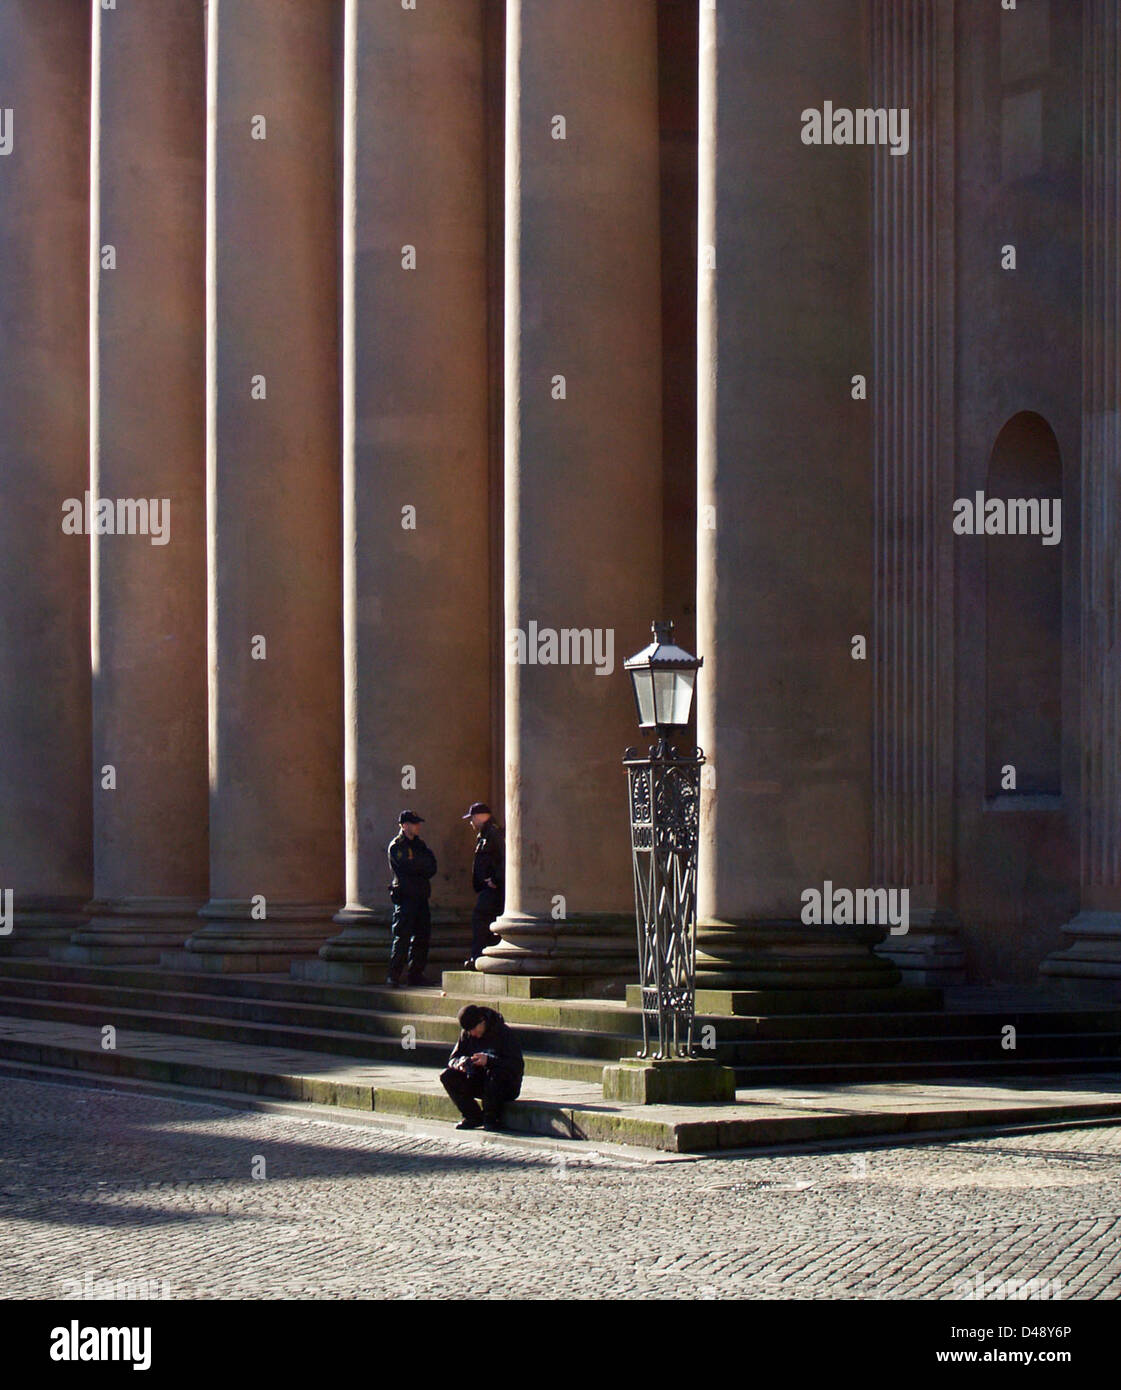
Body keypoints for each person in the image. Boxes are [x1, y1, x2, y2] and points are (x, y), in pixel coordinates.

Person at [440, 1003, 524, 1131]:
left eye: (474, 1029)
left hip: (503, 1084)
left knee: (495, 1073)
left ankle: (491, 1117)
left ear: (482, 1021)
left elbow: (515, 1065)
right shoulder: (467, 1034)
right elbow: (453, 1059)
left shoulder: (503, 1033)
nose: (472, 1033)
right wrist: (461, 1063)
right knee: (448, 1076)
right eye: (469, 1031)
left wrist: (489, 1061)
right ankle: (472, 1116)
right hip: (478, 1079)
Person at [386, 810, 438, 988]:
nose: (418, 826)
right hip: (405, 897)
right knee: (402, 937)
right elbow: (406, 866)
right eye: (414, 823)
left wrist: (418, 866)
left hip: (421, 896)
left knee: (422, 937)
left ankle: (415, 974)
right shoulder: (397, 845)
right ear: (404, 825)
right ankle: (394, 975)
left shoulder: (420, 845)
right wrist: (419, 866)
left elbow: (431, 866)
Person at [462, 801, 504, 969]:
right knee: (486, 923)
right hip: (488, 888)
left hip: (493, 889)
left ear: (480, 816)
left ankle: (477, 958)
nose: (471, 822)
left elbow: (505, 858)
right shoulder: (486, 834)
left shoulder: (493, 833)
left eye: (471, 818)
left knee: (480, 919)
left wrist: (496, 879)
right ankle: (482, 958)